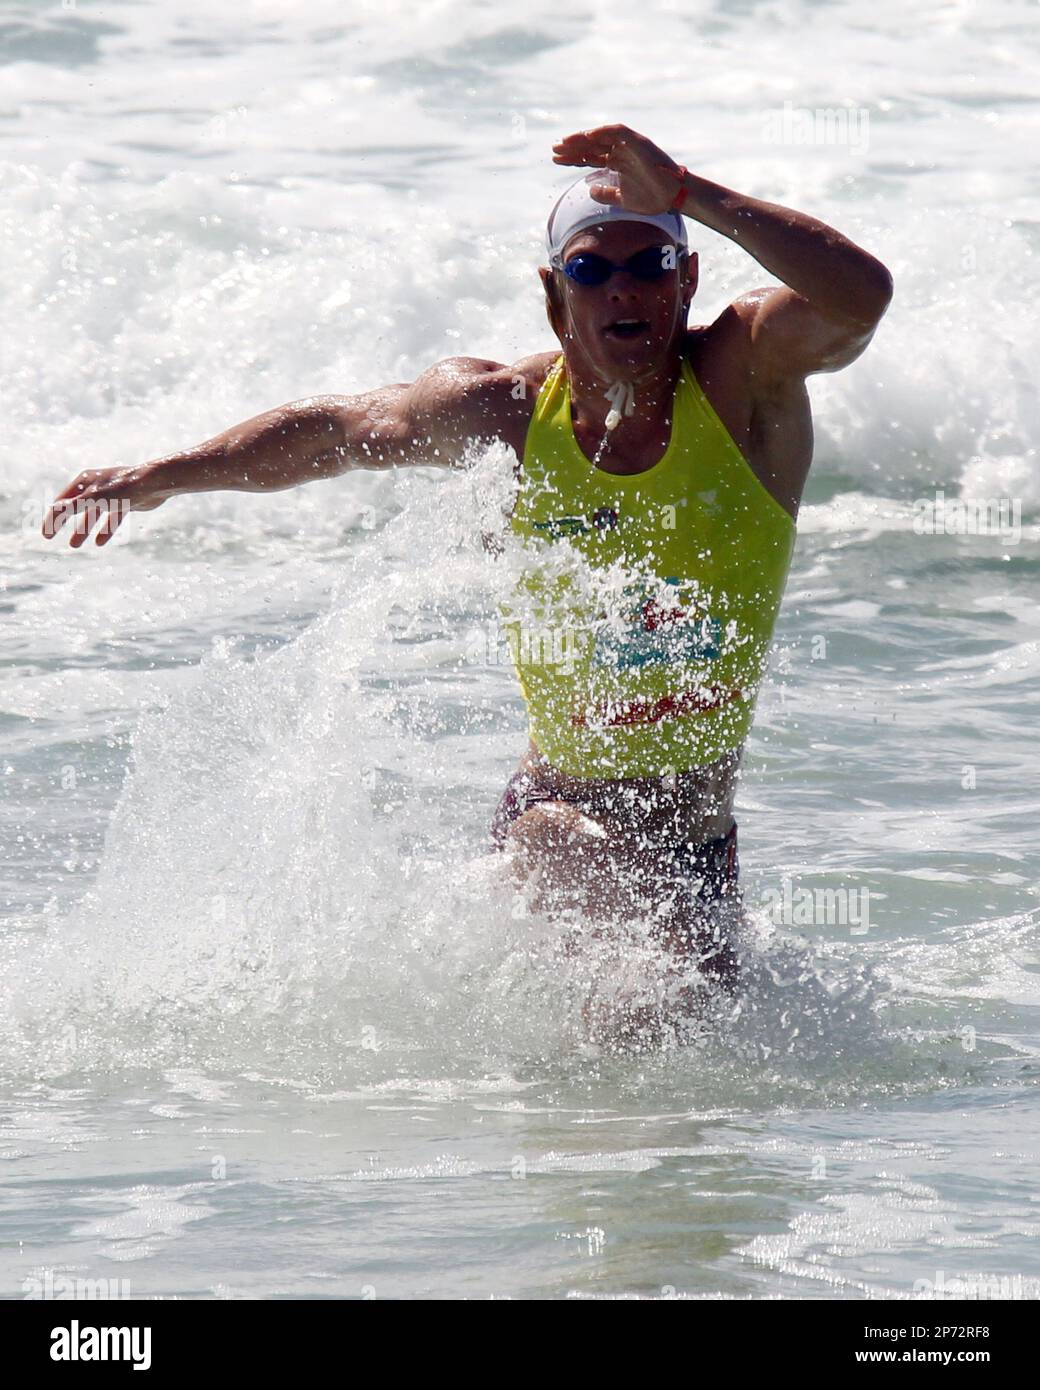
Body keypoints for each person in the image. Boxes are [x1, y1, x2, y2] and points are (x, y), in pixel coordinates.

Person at [42, 124, 893, 1008]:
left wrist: (687, 192)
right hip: (557, 820)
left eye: (650, 266)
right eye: (592, 271)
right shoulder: (506, 414)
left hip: (699, 844)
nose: (623, 289)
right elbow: (339, 431)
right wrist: (163, 478)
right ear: (555, 295)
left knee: (690, 1107)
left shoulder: (743, 382)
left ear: (686, 280)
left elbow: (859, 297)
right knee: (650, 1004)